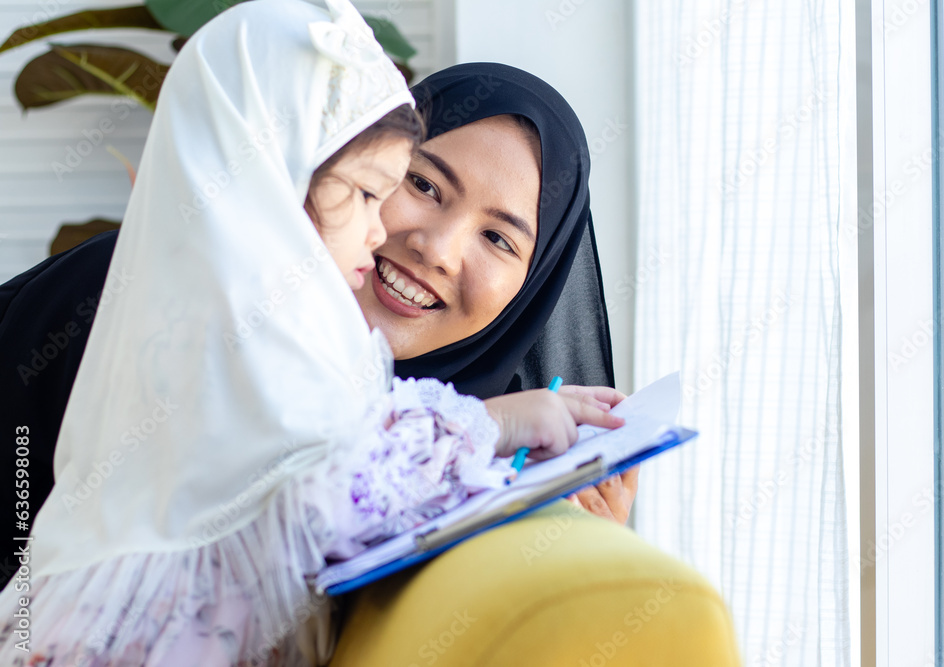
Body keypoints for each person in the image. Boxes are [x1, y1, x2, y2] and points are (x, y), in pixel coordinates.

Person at [0, 1, 622, 664]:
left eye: (498, 237)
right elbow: (334, 485)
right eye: (419, 183)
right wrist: (486, 426)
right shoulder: (167, 307)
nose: (429, 246)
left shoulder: (358, 379)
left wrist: (573, 545)